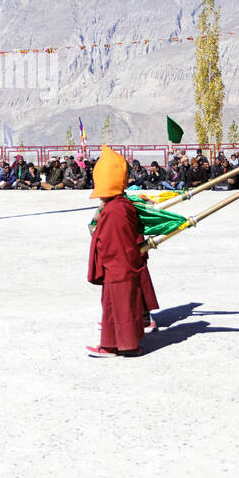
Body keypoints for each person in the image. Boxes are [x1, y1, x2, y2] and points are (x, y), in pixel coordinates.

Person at [86, 146, 158, 358]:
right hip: (120, 265)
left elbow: (111, 242)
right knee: (114, 307)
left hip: (118, 265)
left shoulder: (115, 209)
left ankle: (125, 346)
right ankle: (113, 345)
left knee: (121, 306)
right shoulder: (120, 204)